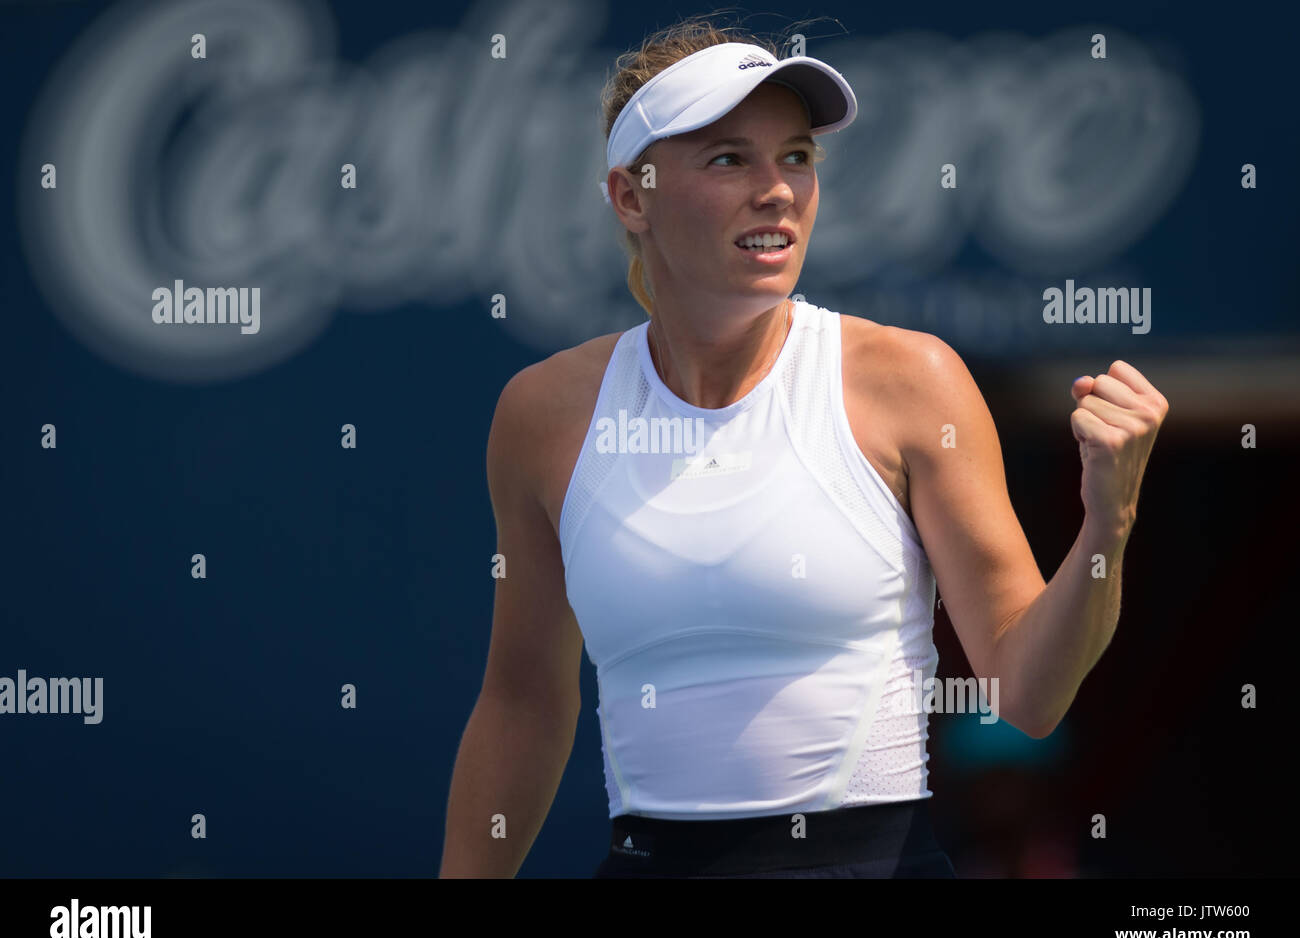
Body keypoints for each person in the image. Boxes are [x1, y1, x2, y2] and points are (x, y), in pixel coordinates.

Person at [439, 17, 1168, 879]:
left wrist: (1105, 528)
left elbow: (1029, 695)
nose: (777, 189)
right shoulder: (542, 415)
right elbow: (523, 700)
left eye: (795, 157)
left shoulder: (912, 381)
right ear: (633, 196)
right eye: (727, 159)